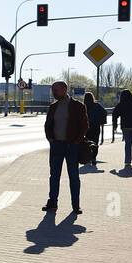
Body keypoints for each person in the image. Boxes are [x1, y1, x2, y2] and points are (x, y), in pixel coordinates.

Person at [43, 81, 87, 214]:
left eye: (56, 90)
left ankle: (76, 205)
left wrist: (76, 141)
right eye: (52, 90)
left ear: (64, 90)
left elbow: (84, 126)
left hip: (72, 146)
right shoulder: (53, 107)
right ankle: (52, 203)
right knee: (54, 175)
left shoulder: (78, 106)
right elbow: (48, 125)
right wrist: (50, 139)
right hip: (56, 146)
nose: (53, 93)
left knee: (73, 176)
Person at [82, 92, 106, 167]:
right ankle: (94, 157)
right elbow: (104, 112)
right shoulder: (97, 105)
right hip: (95, 126)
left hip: (86, 127)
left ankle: (87, 157)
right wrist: (101, 121)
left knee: (86, 142)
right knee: (95, 142)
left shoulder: (83, 106)